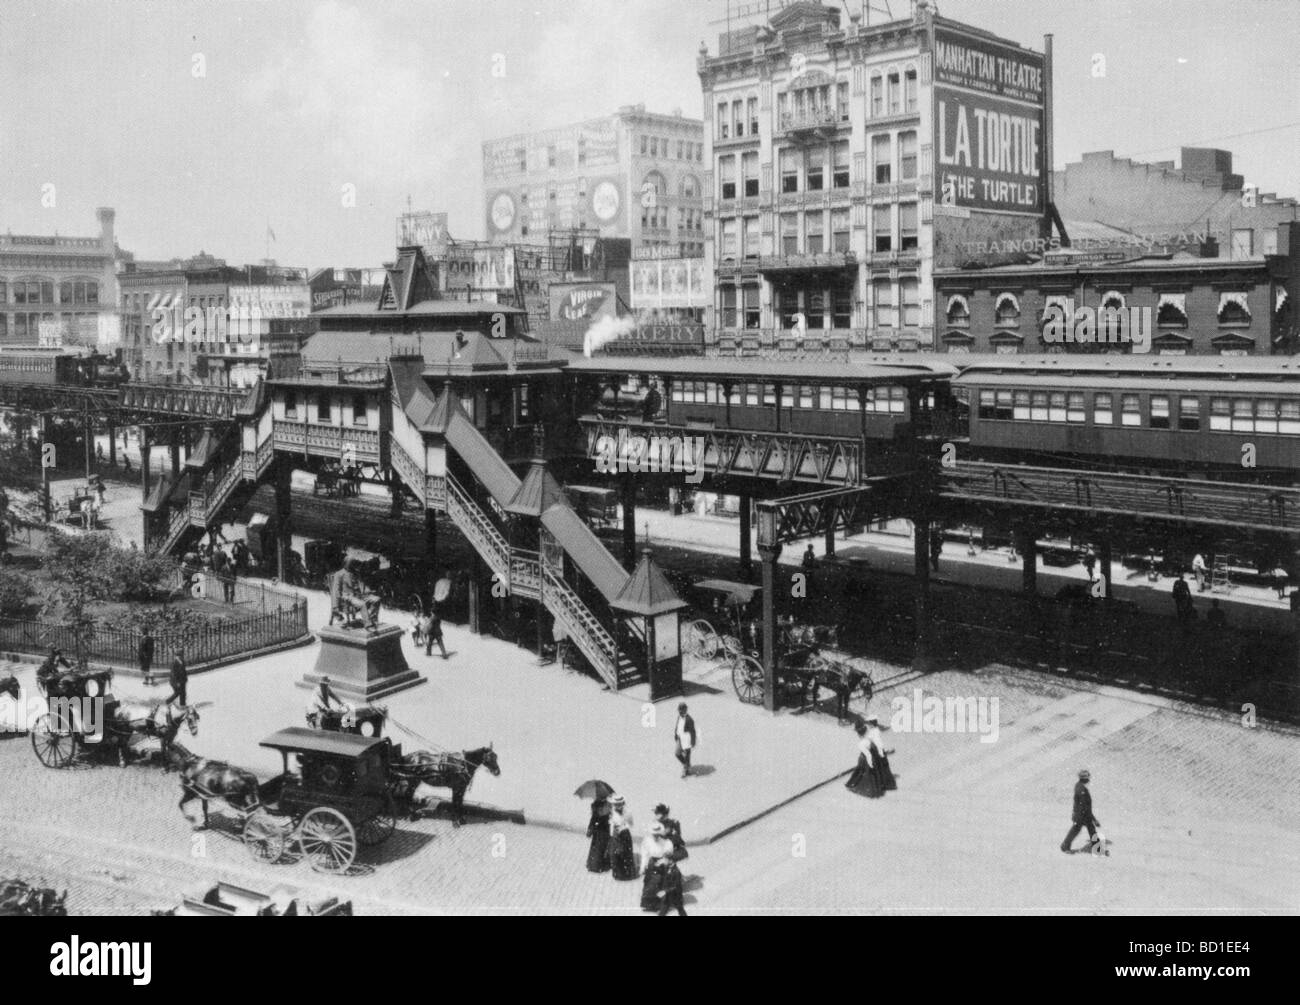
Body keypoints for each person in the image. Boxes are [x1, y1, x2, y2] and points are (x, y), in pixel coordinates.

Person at [1060, 769, 1101, 853]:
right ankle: (1097, 848)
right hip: (1082, 815)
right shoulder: (1081, 789)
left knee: (1085, 829)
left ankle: (1065, 845)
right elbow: (1084, 805)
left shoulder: (1079, 786)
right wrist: (1092, 819)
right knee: (1087, 829)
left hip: (1081, 814)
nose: (1089, 779)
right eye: (1088, 778)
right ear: (1084, 778)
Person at [640, 821, 676, 911]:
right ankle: (649, 904)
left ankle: (660, 904)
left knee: (660, 883)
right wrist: (643, 866)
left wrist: (664, 861)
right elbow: (645, 855)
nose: (655, 836)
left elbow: (669, 856)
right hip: (652, 863)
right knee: (649, 883)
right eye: (654, 835)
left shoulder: (666, 843)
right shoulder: (647, 841)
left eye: (657, 835)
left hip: (662, 864)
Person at [607, 795, 637, 880]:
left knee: (625, 854)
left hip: (625, 835)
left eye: (619, 804)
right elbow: (611, 823)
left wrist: (623, 827)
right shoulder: (612, 812)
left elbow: (631, 824)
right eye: (615, 804)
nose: (617, 806)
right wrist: (613, 833)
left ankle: (626, 874)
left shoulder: (627, 813)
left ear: (623, 803)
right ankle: (617, 874)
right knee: (614, 854)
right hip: (615, 835)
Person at [865, 715, 897, 794]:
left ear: (871, 724)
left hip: (877, 752)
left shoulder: (874, 732)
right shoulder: (874, 730)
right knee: (881, 768)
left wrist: (881, 753)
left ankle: (882, 785)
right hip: (876, 751)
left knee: (879, 768)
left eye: (869, 723)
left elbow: (878, 743)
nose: (868, 725)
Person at [585, 798, 611, 873]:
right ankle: (599, 865)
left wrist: (590, 830)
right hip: (605, 832)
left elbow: (593, 821)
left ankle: (593, 865)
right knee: (602, 849)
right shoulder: (608, 806)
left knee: (596, 849)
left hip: (598, 833)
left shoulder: (595, 807)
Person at [674, 702, 697, 779]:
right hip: (680, 738)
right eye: (679, 710)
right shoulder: (679, 717)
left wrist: (693, 741)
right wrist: (675, 734)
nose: (680, 712)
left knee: (687, 754)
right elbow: (677, 726)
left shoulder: (689, 719)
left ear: (685, 710)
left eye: (681, 710)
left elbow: (693, 731)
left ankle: (686, 769)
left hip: (687, 739)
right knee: (677, 753)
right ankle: (686, 765)